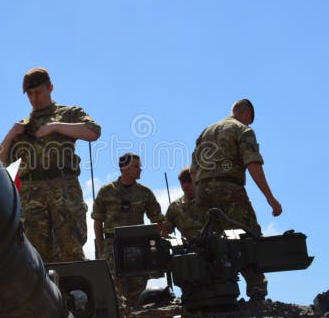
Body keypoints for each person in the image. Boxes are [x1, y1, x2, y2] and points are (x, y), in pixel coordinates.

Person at [0, 67, 100, 263]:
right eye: (30, 94)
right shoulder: (24, 127)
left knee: (72, 253)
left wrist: (55, 126)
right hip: (32, 198)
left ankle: (76, 293)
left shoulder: (68, 114)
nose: (34, 98)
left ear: (50, 88)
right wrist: (10, 136)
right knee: (36, 259)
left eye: (39, 92)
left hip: (64, 190)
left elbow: (93, 131)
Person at [189, 98, 282, 301]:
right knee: (248, 236)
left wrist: (199, 197)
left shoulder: (206, 132)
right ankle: (256, 288)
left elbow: (193, 172)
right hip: (229, 188)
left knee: (210, 242)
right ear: (247, 114)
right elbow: (253, 164)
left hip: (203, 191)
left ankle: (214, 291)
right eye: (250, 120)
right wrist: (270, 199)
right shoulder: (242, 130)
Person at [91, 153, 167, 306]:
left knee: (137, 290)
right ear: (124, 169)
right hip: (112, 247)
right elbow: (98, 222)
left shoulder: (145, 193)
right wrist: (101, 249)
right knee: (113, 289)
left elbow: (158, 220)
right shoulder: (106, 191)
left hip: (138, 246)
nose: (140, 169)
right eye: (136, 166)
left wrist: (155, 244)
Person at [164, 167, 202, 239]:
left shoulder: (208, 200)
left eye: (189, 181)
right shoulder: (175, 207)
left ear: (196, 180)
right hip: (190, 248)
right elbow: (164, 231)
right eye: (183, 182)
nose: (185, 185)